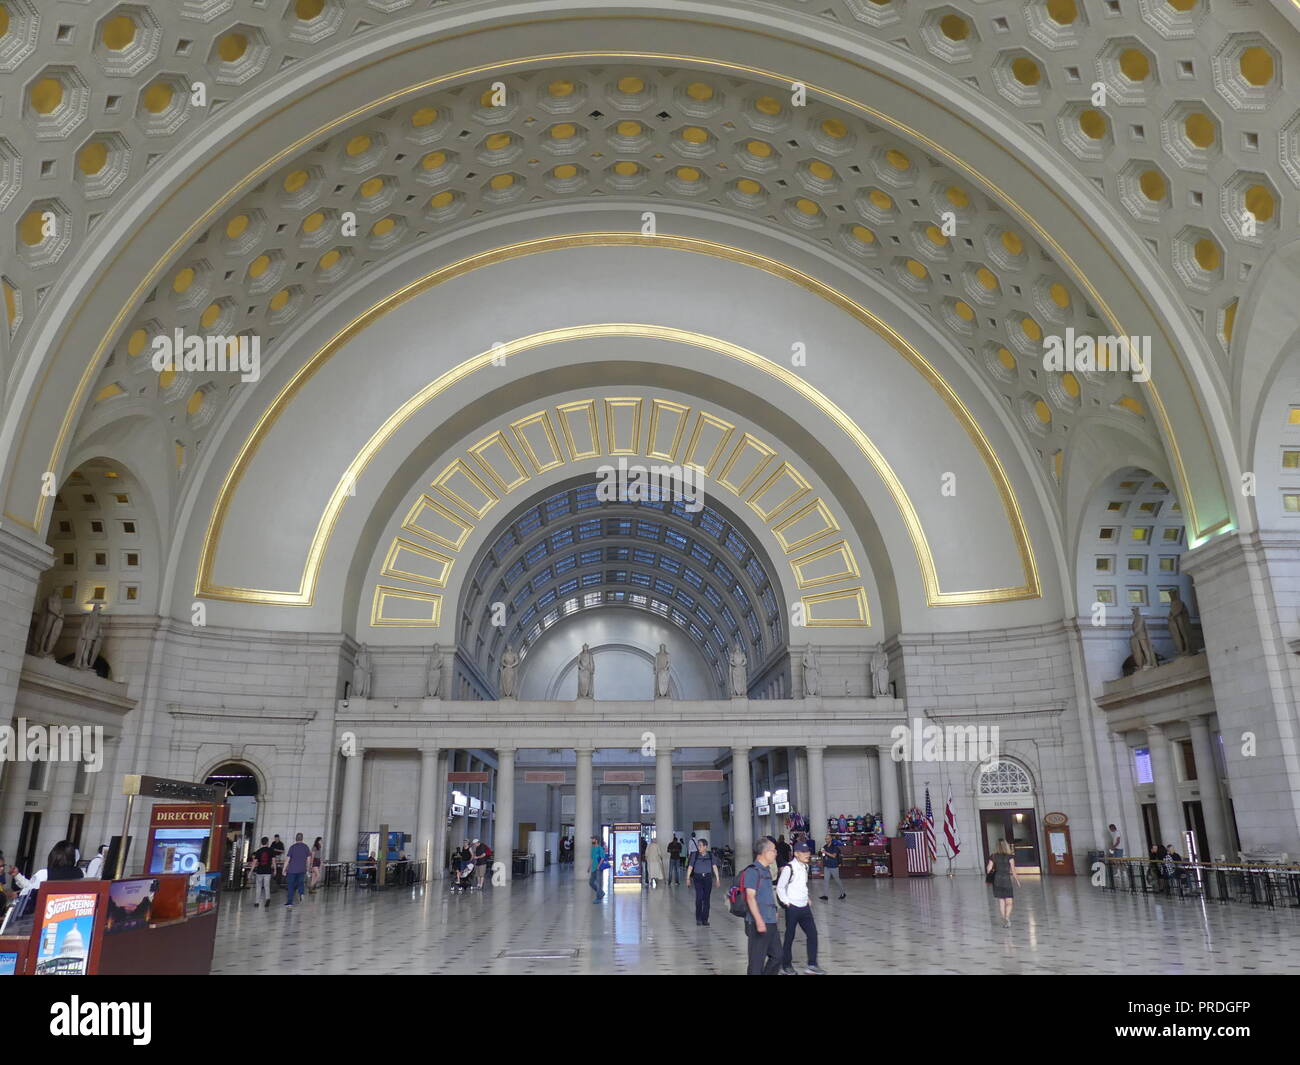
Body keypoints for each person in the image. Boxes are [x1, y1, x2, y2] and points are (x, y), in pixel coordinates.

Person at [777, 841, 825, 975]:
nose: (807, 854)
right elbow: (780, 887)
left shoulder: (805, 867)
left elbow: (802, 885)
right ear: (796, 854)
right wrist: (787, 902)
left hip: (804, 907)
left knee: (812, 934)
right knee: (789, 936)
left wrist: (807, 898)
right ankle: (785, 966)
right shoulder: (789, 868)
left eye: (808, 852)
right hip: (792, 907)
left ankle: (812, 965)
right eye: (804, 852)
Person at [742, 839, 782, 975]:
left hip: (770, 920)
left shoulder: (767, 871)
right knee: (756, 963)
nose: (776, 853)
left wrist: (775, 909)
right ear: (764, 852)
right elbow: (750, 897)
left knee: (777, 956)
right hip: (757, 922)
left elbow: (767, 894)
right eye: (774, 851)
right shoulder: (753, 871)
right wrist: (759, 920)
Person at [686, 837, 721, 925]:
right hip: (697, 878)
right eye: (698, 845)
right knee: (699, 897)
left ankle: (705, 919)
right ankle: (698, 918)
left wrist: (717, 879)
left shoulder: (710, 855)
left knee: (706, 899)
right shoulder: (695, 855)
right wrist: (688, 878)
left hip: (707, 878)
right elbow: (690, 867)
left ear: (705, 847)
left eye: (700, 846)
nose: (699, 847)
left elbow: (714, 867)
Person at [986, 839, 1020, 927]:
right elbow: (1013, 870)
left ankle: (1003, 917)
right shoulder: (1010, 857)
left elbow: (989, 869)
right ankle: (1007, 917)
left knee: (1001, 900)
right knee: (1009, 902)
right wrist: (1017, 880)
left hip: (997, 879)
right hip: (1006, 880)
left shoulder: (993, 856)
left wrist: (990, 875)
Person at [283, 832, 311, 906]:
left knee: (290, 886)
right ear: (302, 839)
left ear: (296, 839)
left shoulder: (292, 847)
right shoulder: (306, 847)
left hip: (292, 870)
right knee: (300, 882)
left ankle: (290, 902)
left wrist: (284, 869)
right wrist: (308, 869)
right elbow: (308, 859)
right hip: (302, 869)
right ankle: (301, 893)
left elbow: (287, 860)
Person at [249, 836, 276, 907]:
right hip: (268, 871)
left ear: (261, 843)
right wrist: (275, 870)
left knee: (258, 886)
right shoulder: (271, 850)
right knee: (267, 886)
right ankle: (267, 898)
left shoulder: (258, 851)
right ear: (267, 842)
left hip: (259, 871)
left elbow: (254, 862)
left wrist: (250, 871)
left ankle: (257, 902)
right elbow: (273, 861)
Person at [589, 835, 607, 902]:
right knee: (591, 882)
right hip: (593, 868)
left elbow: (602, 858)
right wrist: (589, 867)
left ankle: (598, 897)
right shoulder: (593, 848)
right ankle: (601, 892)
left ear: (596, 840)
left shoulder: (600, 848)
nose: (592, 840)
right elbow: (592, 858)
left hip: (598, 868)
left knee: (598, 882)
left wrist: (598, 866)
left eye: (593, 839)